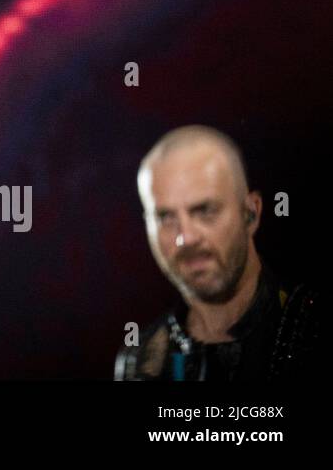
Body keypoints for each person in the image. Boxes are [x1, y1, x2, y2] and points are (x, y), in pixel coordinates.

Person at [115, 125, 320, 380]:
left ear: (251, 213)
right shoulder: (142, 363)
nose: (186, 237)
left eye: (205, 210)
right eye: (165, 217)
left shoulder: (313, 331)